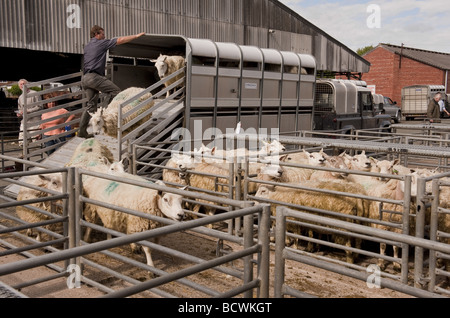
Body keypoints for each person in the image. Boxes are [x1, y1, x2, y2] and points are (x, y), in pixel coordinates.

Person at [78, 25, 145, 138]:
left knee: (90, 106)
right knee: (115, 91)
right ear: (96, 34)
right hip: (95, 77)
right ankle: (102, 114)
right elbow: (120, 40)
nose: (104, 36)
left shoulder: (88, 46)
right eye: (103, 34)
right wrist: (136, 36)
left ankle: (82, 131)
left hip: (85, 78)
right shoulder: (102, 43)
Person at [17, 79, 42, 146]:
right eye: (21, 84)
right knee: (22, 142)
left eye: (24, 84)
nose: (22, 85)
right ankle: (24, 155)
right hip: (25, 122)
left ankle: (43, 155)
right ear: (19, 86)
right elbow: (20, 108)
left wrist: (28, 111)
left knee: (37, 143)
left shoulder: (35, 93)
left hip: (35, 122)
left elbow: (39, 106)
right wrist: (19, 113)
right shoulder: (20, 97)